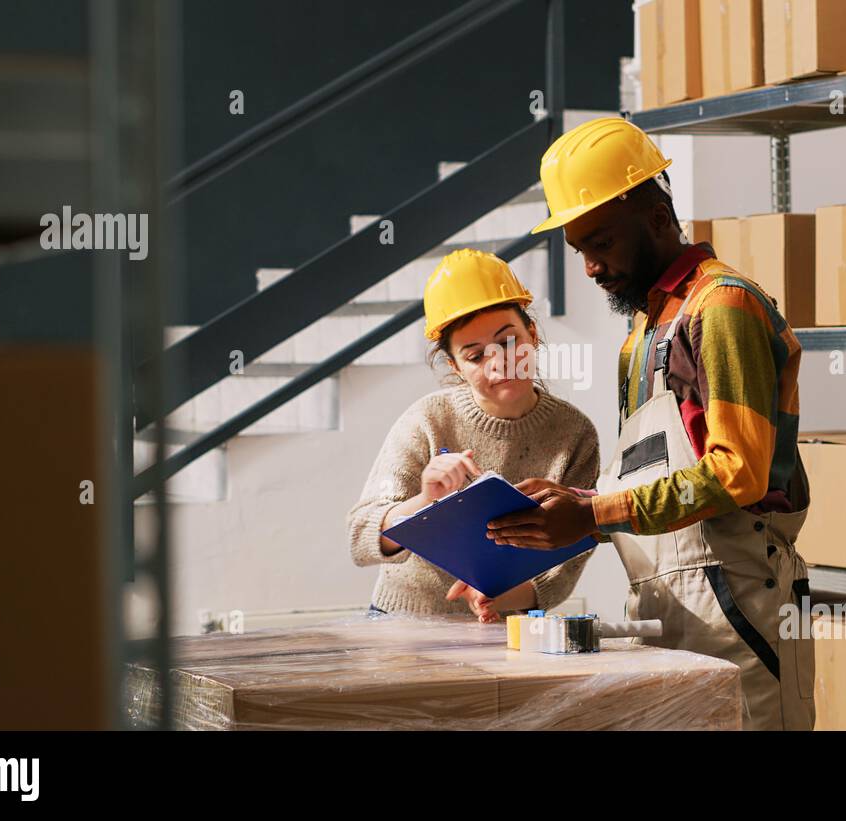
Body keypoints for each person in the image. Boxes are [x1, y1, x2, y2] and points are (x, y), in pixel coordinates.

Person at [487, 117, 816, 730]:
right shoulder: (641, 337)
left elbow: (738, 474)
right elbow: (657, 472)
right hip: (665, 605)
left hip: (740, 602)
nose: (590, 268)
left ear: (658, 220)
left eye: (603, 243)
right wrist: (577, 504)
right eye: (580, 250)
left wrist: (590, 515)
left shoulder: (722, 308)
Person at [346, 248, 600, 623]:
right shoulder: (426, 421)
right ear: (455, 366)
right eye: (476, 356)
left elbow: (569, 558)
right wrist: (425, 501)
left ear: (532, 333)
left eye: (509, 341)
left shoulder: (575, 435)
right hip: (400, 625)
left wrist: (498, 597)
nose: (499, 363)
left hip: (504, 629)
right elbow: (361, 538)